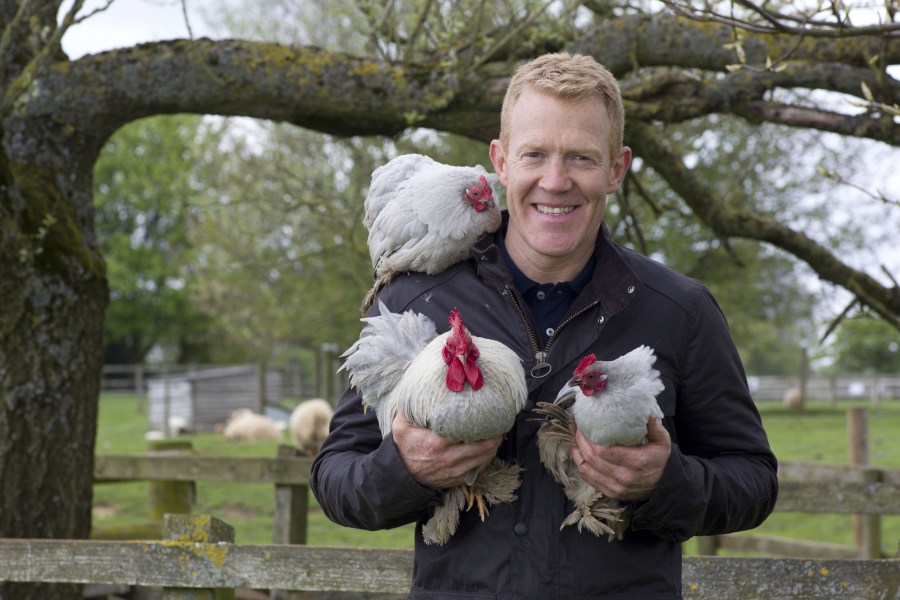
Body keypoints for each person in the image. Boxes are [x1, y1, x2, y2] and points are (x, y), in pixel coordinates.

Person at [310, 52, 778, 600]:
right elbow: (335, 478)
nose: (555, 182)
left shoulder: (680, 310)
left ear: (617, 169)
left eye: (581, 157)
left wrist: (664, 482)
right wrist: (404, 468)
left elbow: (753, 480)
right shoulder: (415, 297)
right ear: (501, 161)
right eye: (534, 154)